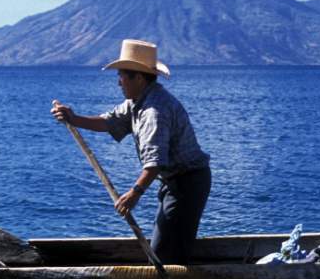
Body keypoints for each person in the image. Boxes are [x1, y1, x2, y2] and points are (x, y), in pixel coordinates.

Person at [51, 39, 211, 264]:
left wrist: (134, 193)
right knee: (166, 244)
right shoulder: (137, 101)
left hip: (188, 183)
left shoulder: (154, 111)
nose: (119, 83)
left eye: (122, 76)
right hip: (174, 182)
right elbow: (109, 122)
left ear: (138, 77)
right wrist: (74, 118)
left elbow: (154, 162)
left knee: (165, 255)